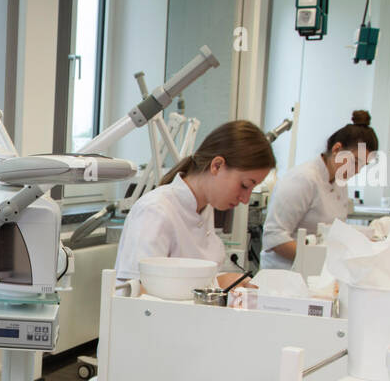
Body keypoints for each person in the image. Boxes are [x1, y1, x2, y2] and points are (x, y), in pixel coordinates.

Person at [114, 120, 276, 286]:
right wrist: (218, 284)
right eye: (245, 185)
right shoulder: (155, 210)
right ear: (217, 166)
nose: (246, 199)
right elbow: (134, 292)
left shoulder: (204, 210)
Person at [259, 110, 378, 270]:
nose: (357, 170)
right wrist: (320, 259)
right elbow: (274, 237)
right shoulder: (303, 179)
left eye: (363, 165)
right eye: (355, 162)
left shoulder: (339, 182)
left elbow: (333, 232)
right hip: (285, 275)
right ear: (337, 149)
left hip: (318, 272)